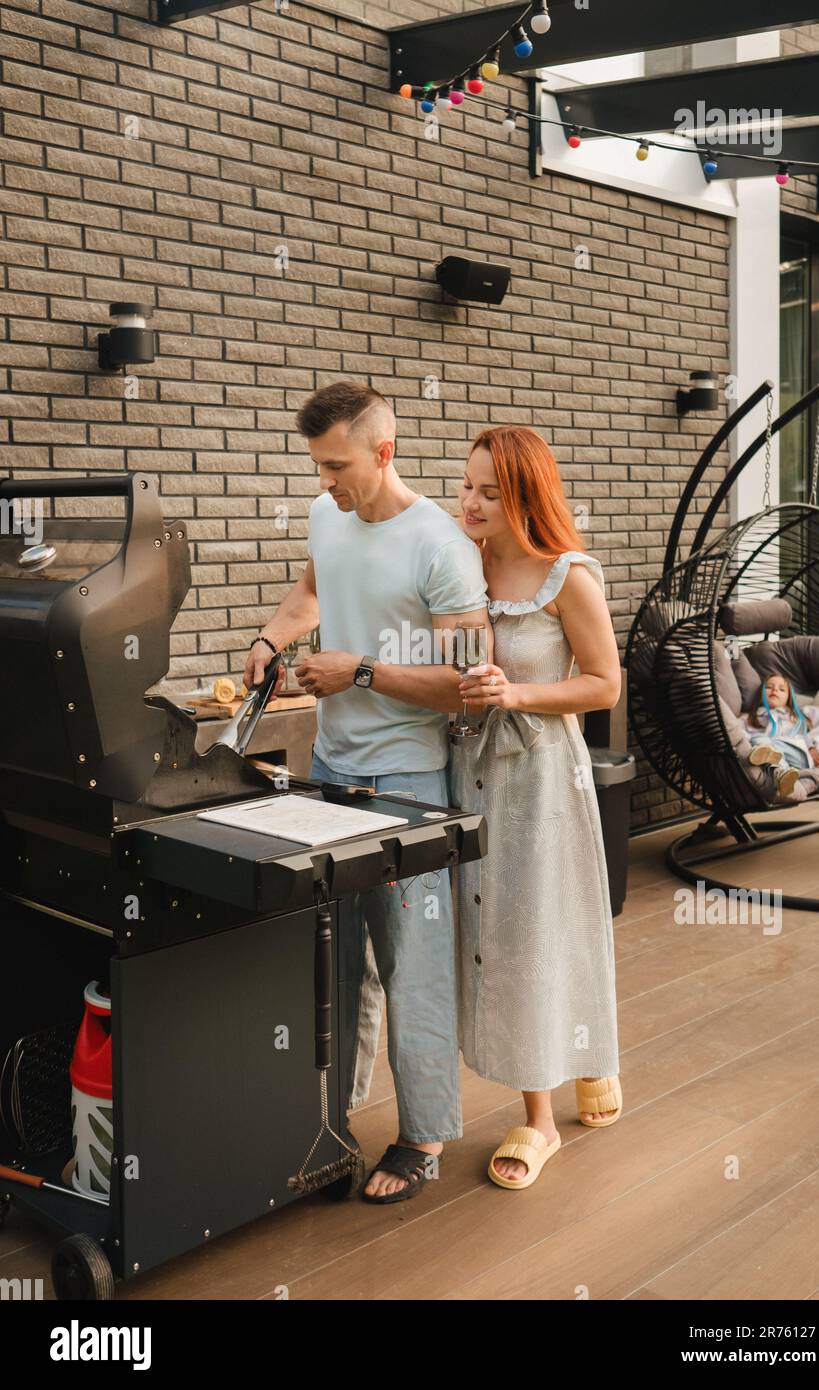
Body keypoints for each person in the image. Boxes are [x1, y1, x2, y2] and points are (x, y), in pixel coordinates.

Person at [243, 381, 492, 1204]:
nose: (325, 483)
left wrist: (360, 670)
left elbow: (468, 682)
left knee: (410, 960)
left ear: (383, 452)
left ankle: (422, 1135)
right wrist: (269, 638)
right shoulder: (327, 516)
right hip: (333, 772)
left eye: (337, 465)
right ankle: (331, 1120)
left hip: (412, 782)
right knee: (337, 957)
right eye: (317, 466)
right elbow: (311, 591)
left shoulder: (441, 544)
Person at [449, 425, 623, 1191]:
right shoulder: (463, 567)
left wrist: (516, 692)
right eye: (467, 486)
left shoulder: (567, 576)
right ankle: (591, 1059)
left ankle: (541, 1118)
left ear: (525, 494)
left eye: (490, 490)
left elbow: (604, 685)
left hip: (544, 781)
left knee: (541, 933)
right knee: (492, 931)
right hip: (472, 773)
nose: (471, 502)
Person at [739, 672, 819, 798]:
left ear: (789, 697)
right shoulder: (747, 719)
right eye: (769, 687)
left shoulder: (801, 714)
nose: (775, 689)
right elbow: (736, 735)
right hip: (767, 763)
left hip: (798, 755)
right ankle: (786, 776)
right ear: (760, 694)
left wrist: (814, 745)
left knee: (761, 741)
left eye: (781, 689)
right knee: (758, 741)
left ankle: (783, 773)